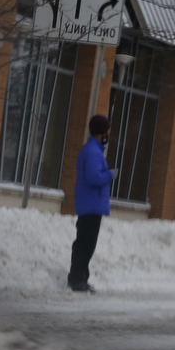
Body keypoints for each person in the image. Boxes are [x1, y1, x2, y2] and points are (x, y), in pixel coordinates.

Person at [68, 114, 115, 292]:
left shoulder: (91, 150)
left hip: (90, 204)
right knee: (86, 244)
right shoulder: (93, 152)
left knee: (86, 243)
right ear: (102, 133)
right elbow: (94, 178)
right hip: (91, 205)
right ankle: (77, 279)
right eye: (107, 131)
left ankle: (80, 278)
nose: (108, 135)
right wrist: (111, 174)